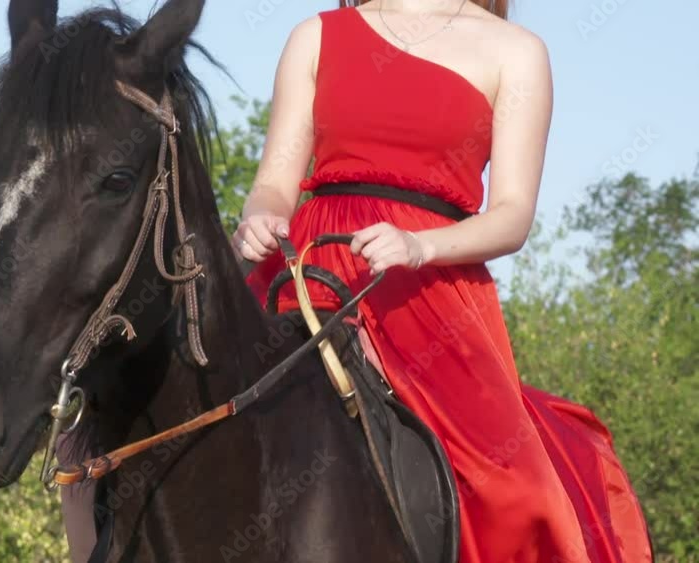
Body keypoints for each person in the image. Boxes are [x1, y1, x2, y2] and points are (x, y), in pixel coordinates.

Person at [237, 1, 653, 561]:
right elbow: (274, 184)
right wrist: (259, 216)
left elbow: (511, 214)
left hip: (429, 287)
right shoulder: (314, 36)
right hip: (310, 267)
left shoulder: (517, 51)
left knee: (520, 489)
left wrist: (420, 246)